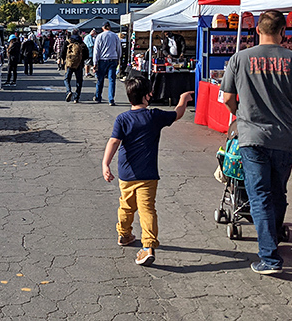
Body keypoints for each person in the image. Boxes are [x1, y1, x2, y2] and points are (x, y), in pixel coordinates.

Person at [221, 10, 292, 275]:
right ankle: (271, 242)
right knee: (278, 192)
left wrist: (240, 115)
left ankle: (270, 258)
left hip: (252, 137)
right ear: (283, 31)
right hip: (286, 137)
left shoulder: (239, 59)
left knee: (259, 196)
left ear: (257, 31)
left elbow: (227, 97)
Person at [102, 76, 193, 266]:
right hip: (148, 175)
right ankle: (148, 246)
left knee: (126, 206)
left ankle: (124, 234)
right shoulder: (154, 116)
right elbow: (177, 113)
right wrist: (183, 100)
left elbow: (114, 142)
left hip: (126, 174)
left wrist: (105, 164)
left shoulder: (122, 119)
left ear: (129, 98)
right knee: (147, 209)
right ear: (147, 96)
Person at [93, 22, 121, 106]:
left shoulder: (100, 36)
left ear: (103, 27)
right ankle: (111, 99)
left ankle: (98, 97)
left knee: (100, 79)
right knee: (112, 80)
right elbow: (118, 48)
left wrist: (95, 63)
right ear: (110, 27)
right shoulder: (115, 36)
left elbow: (96, 51)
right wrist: (119, 58)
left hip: (102, 60)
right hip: (113, 59)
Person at [61, 33, 89, 103]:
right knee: (79, 81)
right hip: (79, 64)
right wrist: (81, 59)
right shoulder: (81, 43)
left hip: (69, 63)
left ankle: (69, 91)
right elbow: (87, 54)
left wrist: (64, 59)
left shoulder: (68, 42)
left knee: (67, 79)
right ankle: (76, 98)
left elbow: (62, 52)